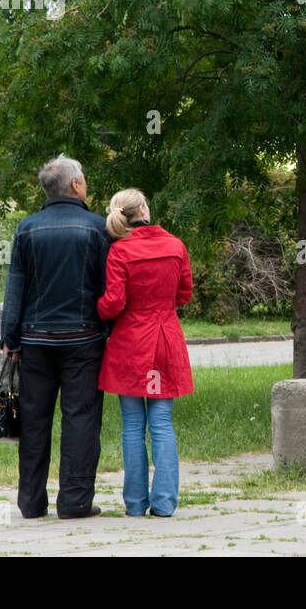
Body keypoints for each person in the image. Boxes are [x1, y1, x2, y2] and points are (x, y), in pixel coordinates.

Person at [0, 155, 111, 519]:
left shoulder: (27, 228)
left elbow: (15, 286)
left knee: (33, 419)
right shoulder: (98, 229)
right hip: (84, 338)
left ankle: (31, 503)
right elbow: (107, 289)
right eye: (85, 179)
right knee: (80, 418)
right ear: (76, 185)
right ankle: (75, 502)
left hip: (34, 341)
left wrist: (10, 338)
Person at [96, 188, 193, 517]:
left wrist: (94, 308)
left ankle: (136, 505)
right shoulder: (176, 246)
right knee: (162, 423)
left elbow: (113, 304)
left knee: (132, 426)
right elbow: (184, 294)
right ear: (146, 209)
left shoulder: (120, 251)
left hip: (131, 343)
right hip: (166, 339)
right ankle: (164, 503)